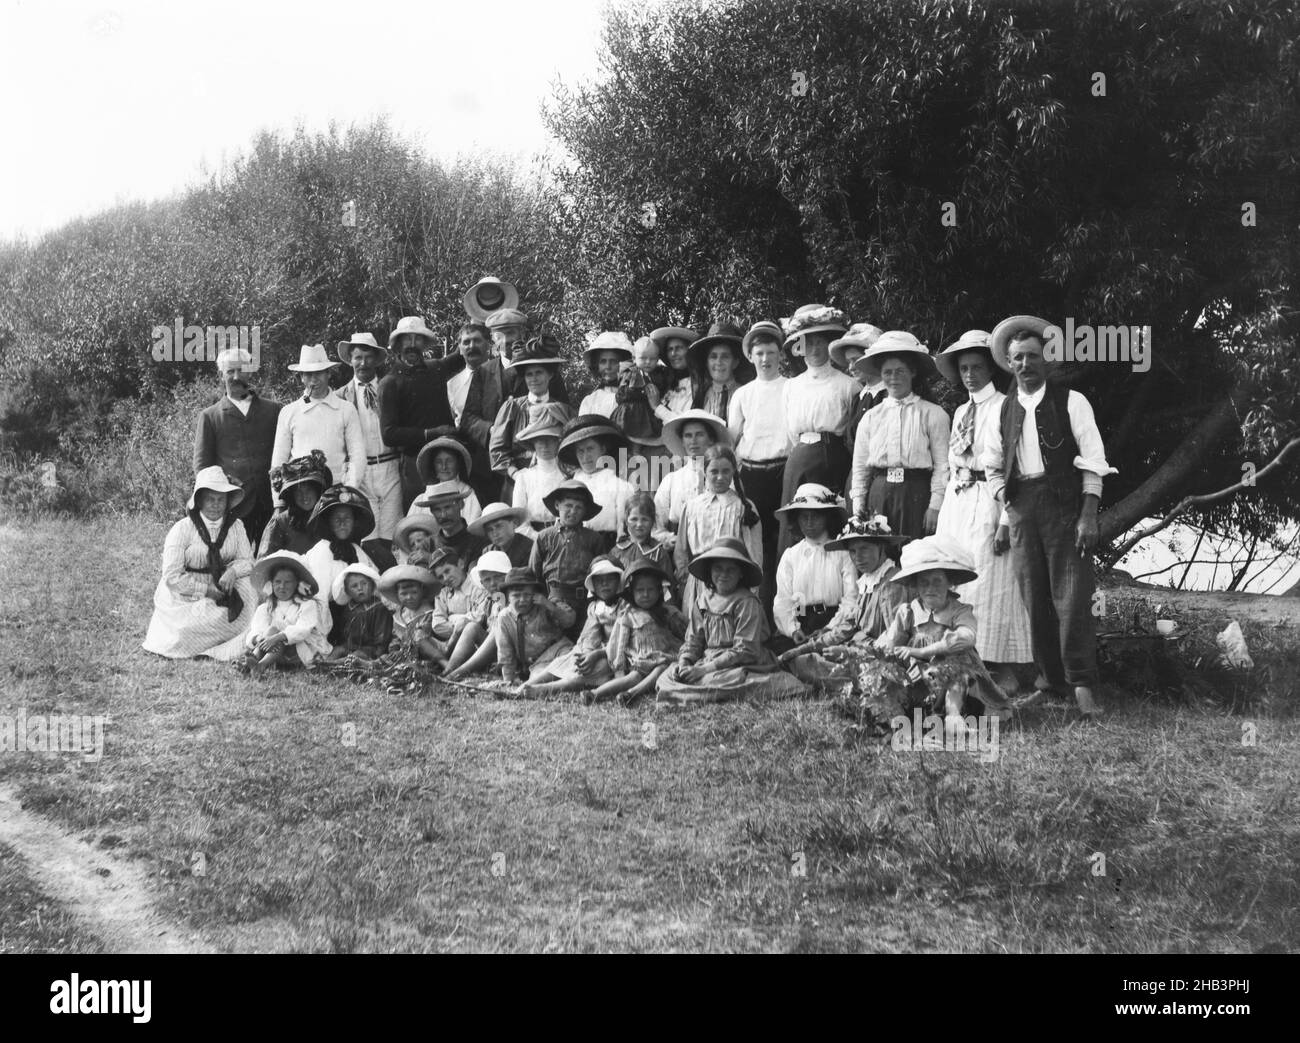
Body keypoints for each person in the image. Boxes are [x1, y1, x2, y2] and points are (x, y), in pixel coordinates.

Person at [982, 315, 1116, 719]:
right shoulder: (1002, 410)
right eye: (1018, 358)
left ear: (1047, 360)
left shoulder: (1072, 401)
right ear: (1009, 362)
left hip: (1063, 506)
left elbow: (1094, 462)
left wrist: (1088, 514)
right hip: (1022, 507)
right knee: (1033, 598)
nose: (1025, 364)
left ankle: (1082, 684)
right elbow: (991, 465)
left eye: (1033, 356)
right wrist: (1007, 506)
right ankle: (1049, 681)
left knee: (1072, 598)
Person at [933, 329, 1033, 687]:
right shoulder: (961, 410)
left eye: (977, 367)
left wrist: (1006, 519)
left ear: (991, 368)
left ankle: (999, 664)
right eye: (964, 369)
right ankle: (963, 658)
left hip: (990, 500)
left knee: (991, 581)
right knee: (958, 577)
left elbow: (1013, 466)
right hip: (958, 501)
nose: (970, 375)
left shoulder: (1006, 407)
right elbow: (951, 461)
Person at [875, 537, 1014, 728]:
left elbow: (967, 636)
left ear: (950, 583)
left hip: (955, 672)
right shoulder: (908, 611)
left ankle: (953, 714)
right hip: (921, 672)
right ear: (916, 585)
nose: (930, 588)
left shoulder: (959, 610)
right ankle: (917, 708)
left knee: (959, 663)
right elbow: (891, 643)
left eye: (937, 582)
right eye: (924, 582)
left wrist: (924, 651)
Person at [656, 538, 808, 704]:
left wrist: (704, 670)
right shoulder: (703, 600)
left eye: (731, 570)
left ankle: (704, 689)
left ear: (741, 573)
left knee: (718, 680)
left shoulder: (747, 602)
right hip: (709, 661)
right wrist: (685, 663)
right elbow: (693, 641)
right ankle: (698, 687)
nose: (723, 575)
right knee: (669, 676)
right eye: (718, 569)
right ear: (710, 571)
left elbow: (745, 650)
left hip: (743, 664)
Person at [781, 514, 910, 685]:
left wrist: (846, 652)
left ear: (881, 548)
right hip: (859, 651)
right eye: (853, 551)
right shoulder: (869, 580)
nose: (858, 557)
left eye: (864, 549)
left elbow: (893, 641)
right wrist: (809, 646)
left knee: (807, 665)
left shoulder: (891, 584)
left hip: (881, 660)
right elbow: (849, 624)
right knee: (801, 659)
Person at [143, 466, 256, 661]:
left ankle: (235, 640)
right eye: (210, 499)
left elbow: (248, 561)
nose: (216, 505)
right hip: (189, 593)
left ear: (228, 502)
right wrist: (205, 590)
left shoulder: (236, 527)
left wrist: (232, 572)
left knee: (251, 590)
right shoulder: (182, 529)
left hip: (225, 586)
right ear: (199, 500)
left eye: (221, 499)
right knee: (186, 627)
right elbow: (172, 577)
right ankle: (207, 644)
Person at [849, 330, 950, 538]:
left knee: (914, 556)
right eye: (887, 372)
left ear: (912, 372)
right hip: (879, 495)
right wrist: (859, 507)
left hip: (916, 495)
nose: (893, 378)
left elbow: (942, 465)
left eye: (900, 371)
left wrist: (935, 505)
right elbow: (860, 468)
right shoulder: (871, 417)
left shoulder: (933, 414)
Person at [778, 305, 857, 554]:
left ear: (830, 345)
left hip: (832, 456)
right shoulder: (792, 386)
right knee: (797, 521)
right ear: (800, 347)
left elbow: (850, 429)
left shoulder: (847, 385)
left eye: (821, 342)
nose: (815, 349)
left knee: (830, 519)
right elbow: (791, 431)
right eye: (809, 342)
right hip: (800, 457)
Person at [729, 321, 792, 607]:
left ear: (780, 354)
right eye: (759, 353)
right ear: (750, 357)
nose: (765, 359)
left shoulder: (792, 388)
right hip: (752, 474)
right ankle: (757, 610)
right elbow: (732, 439)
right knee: (757, 545)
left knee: (784, 542)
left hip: (784, 470)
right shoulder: (743, 394)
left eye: (770, 352)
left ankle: (783, 611)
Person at [193, 347, 282, 547]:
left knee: (271, 562)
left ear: (250, 372)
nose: (235, 377)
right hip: (233, 506)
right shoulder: (210, 416)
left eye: (241, 370)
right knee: (233, 561)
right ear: (220, 375)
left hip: (271, 504)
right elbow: (202, 467)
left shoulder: (274, 410)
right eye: (229, 371)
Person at [376, 316, 467, 509]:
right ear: (398, 344)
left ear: (424, 343)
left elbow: (463, 353)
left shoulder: (436, 368)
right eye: (406, 339)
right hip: (415, 463)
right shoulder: (389, 383)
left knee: (453, 509)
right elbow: (389, 434)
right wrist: (431, 433)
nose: (411, 344)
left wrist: (480, 309)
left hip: (446, 459)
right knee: (420, 515)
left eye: (417, 339)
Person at [334, 333, 401, 571]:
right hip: (361, 472)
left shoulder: (390, 388)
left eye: (368, 357)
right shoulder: (340, 397)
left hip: (391, 467)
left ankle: (392, 584)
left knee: (391, 533)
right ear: (350, 360)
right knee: (368, 536)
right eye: (358, 357)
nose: (363, 363)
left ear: (376, 360)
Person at [519, 556, 624, 698]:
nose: (604, 584)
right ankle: (526, 685)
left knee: (591, 671)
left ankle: (544, 689)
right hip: (595, 650)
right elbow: (590, 634)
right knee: (567, 661)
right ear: (593, 585)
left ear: (619, 581)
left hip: (615, 654)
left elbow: (620, 641)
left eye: (610, 580)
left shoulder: (625, 608)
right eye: (599, 581)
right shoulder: (595, 607)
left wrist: (596, 655)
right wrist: (587, 653)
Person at [673, 445, 763, 608]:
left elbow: (754, 552)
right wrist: (685, 578)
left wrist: (752, 587)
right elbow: (681, 549)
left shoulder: (743, 507)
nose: (720, 477)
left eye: (726, 471)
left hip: (732, 582)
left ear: (734, 472)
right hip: (699, 580)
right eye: (714, 471)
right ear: (704, 472)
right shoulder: (692, 506)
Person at [771, 484, 857, 653]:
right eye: (804, 517)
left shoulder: (842, 553)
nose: (809, 523)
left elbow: (851, 597)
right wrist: (794, 629)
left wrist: (830, 629)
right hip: (802, 620)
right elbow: (784, 600)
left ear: (827, 518)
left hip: (834, 621)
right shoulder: (791, 556)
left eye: (815, 516)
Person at [590, 558, 689, 704]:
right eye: (640, 590)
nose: (645, 595)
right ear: (632, 592)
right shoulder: (627, 616)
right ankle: (595, 693)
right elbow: (618, 644)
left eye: (651, 590)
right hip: (640, 662)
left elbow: (686, 632)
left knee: (660, 669)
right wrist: (619, 668)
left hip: (665, 658)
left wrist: (688, 652)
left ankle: (632, 693)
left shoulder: (668, 612)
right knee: (633, 677)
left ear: (659, 591)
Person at [489, 336, 575, 503]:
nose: (534, 379)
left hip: (555, 477)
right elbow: (497, 449)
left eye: (539, 373)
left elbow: (570, 447)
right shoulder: (513, 408)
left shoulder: (563, 410)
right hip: (517, 478)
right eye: (529, 374)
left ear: (549, 375)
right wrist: (515, 473)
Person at [270, 344, 366, 489]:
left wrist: (349, 489)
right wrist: (279, 504)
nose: (314, 380)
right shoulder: (288, 412)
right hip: (300, 493)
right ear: (301, 377)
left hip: (336, 492)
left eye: (319, 373)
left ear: (328, 373)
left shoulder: (346, 409)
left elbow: (357, 456)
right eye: (308, 374)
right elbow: (278, 461)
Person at [529, 479, 612, 635]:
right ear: (557, 505)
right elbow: (534, 574)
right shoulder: (544, 537)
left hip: (585, 601)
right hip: (553, 599)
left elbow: (602, 573)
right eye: (568, 506)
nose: (573, 511)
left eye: (578, 508)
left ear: (585, 512)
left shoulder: (594, 539)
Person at [301, 484, 377, 644]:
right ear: (329, 523)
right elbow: (318, 599)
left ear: (354, 522)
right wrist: (321, 641)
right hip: (330, 618)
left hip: (355, 614)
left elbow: (375, 584)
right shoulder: (321, 552)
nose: (343, 523)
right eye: (337, 519)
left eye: (347, 518)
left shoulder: (357, 550)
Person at [239, 551, 331, 675]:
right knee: (270, 630)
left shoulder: (307, 605)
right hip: (274, 654)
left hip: (300, 652)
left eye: (288, 582)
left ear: (297, 584)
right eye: (278, 582)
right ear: (271, 584)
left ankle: (259, 665)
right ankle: (255, 660)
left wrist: (276, 637)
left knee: (274, 633)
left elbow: (303, 629)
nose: (282, 586)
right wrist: (261, 638)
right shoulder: (265, 608)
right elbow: (257, 629)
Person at [653, 409, 731, 548]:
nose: (693, 441)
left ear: (711, 439)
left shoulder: (725, 478)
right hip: (678, 552)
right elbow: (655, 524)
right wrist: (670, 539)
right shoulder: (672, 480)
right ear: (682, 441)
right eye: (688, 436)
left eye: (699, 435)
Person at [451, 320, 507, 506]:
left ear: (488, 344)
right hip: (467, 462)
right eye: (466, 342)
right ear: (459, 348)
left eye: (477, 341)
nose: (471, 346)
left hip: (499, 457)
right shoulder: (451, 384)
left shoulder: (501, 373)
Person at [495, 568, 576, 692]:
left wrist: (549, 606)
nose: (522, 600)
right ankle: (544, 687)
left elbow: (569, 621)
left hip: (559, 651)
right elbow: (505, 653)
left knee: (573, 661)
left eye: (527, 595)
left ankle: (568, 683)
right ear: (507, 597)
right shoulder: (504, 618)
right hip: (538, 664)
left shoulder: (546, 605)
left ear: (535, 594)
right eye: (516, 596)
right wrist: (508, 680)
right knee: (538, 677)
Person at [558, 415, 636, 538]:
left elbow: (624, 529)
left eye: (590, 449)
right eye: (580, 451)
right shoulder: (567, 485)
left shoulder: (620, 486)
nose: (585, 457)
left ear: (603, 449)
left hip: (606, 547)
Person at [830, 324, 886, 491]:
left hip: (880, 479)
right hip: (857, 476)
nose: (851, 367)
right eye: (848, 362)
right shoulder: (859, 398)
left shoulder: (887, 397)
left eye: (856, 360)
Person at [444, 550, 512, 678]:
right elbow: (474, 617)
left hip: (512, 651)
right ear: (482, 583)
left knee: (498, 627)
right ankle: (449, 669)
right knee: (471, 627)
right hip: (492, 650)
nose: (493, 583)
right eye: (487, 580)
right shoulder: (491, 601)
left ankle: (457, 673)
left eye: (498, 577)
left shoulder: (514, 598)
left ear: (508, 575)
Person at [259, 450, 332, 557]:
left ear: (317, 491)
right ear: (292, 496)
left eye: (308, 490)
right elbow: (265, 561)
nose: (304, 496)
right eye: (298, 492)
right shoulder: (281, 522)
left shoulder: (329, 517)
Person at [608, 492, 676, 603]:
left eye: (644, 519)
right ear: (626, 520)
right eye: (634, 519)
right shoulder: (617, 551)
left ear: (653, 521)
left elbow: (667, 590)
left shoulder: (659, 553)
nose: (639, 524)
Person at [612, 336, 671, 459]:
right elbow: (621, 393)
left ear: (658, 359)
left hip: (647, 410)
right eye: (643, 358)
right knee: (630, 433)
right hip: (631, 410)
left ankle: (638, 451)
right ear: (634, 358)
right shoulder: (631, 373)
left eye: (652, 359)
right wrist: (634, 391)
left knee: (645, 434)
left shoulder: (658, 374)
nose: (648, 362)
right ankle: (631, 452)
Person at [510, 415, 570, 532]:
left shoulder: (567, 475)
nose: (545, 445)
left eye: (550, 440)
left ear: (558, 442)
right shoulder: (524, 477)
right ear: (533, 444)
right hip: (531, 538)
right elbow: (519, 519)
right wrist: (536, 539)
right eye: (539, 440)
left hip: (563, 533)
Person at [428, 547, 489, 660]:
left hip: (480, 642)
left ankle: (449, 663)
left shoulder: (477, 585)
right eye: (440, 577)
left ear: (460, 564)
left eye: (447, 571)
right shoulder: (443, 594)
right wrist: (461, 623)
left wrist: (452, 618)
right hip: (456, 644)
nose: (446, 578)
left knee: (470, 627)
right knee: (420, 635)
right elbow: (437, 625)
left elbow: (482, 616)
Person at [327, 563, 393, 661]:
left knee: (356, 655)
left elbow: (382, 640)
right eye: (354, 586)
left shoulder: (379, 608)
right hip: (351, 646)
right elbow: (344, 632)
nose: (360, 588)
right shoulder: (349, 608)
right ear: (347, 591)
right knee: (338, 650)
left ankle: (337, 664)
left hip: (371, 649)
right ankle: (328, 662)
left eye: (364, 584)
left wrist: (378, 654)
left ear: (372, 585)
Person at [380, 563, 443, 666]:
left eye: (414, 592)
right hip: (403, 653)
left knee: (417, 664)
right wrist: (395, 649)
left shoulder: (429, 613)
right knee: (385, 658)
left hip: (424, 654)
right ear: (397, 595)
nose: (409, 597)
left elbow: (423, 637)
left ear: (422, 591)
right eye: (404, 594)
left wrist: (402, 652)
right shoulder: (398, 616)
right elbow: (395, 638)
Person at [411, 434, 482, 525]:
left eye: (449, 461)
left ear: (458, 464)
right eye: (439, 462)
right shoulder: (422, 498)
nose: (444, 467)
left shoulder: (468, 495)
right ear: (433, 466)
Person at [412, 481, 487, 565]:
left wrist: (432, 558)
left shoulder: (479, 543)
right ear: (431, 511)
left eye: (447, 507)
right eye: (437, 510)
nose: (443, 515)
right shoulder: (427, 545)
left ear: (461, 504)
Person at [688, 321, 754, 417]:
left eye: (725, 356)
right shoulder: (701, 397)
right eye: (713, 357)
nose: (718, 362)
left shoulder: (746, 394)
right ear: (706, 363)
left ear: (735, 362)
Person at [649, 325, 698, 423]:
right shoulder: (665, 380)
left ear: (690, 350)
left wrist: (657, 407)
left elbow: (684, 423)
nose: (673, 353)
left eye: (678, 348)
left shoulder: (697, 384)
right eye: (670, 349)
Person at [579, 332, 633, 417]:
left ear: (624, 363)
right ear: (597, 365)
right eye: (603, 362)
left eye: (614, 361)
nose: (608, 367)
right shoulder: (590, 401)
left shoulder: (634, 396)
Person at [467, 502, 533, 569]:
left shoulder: (529, 548)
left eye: (498, 526)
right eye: (490, 530)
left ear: (514, 523)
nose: (495, 533)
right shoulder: (488, 551)